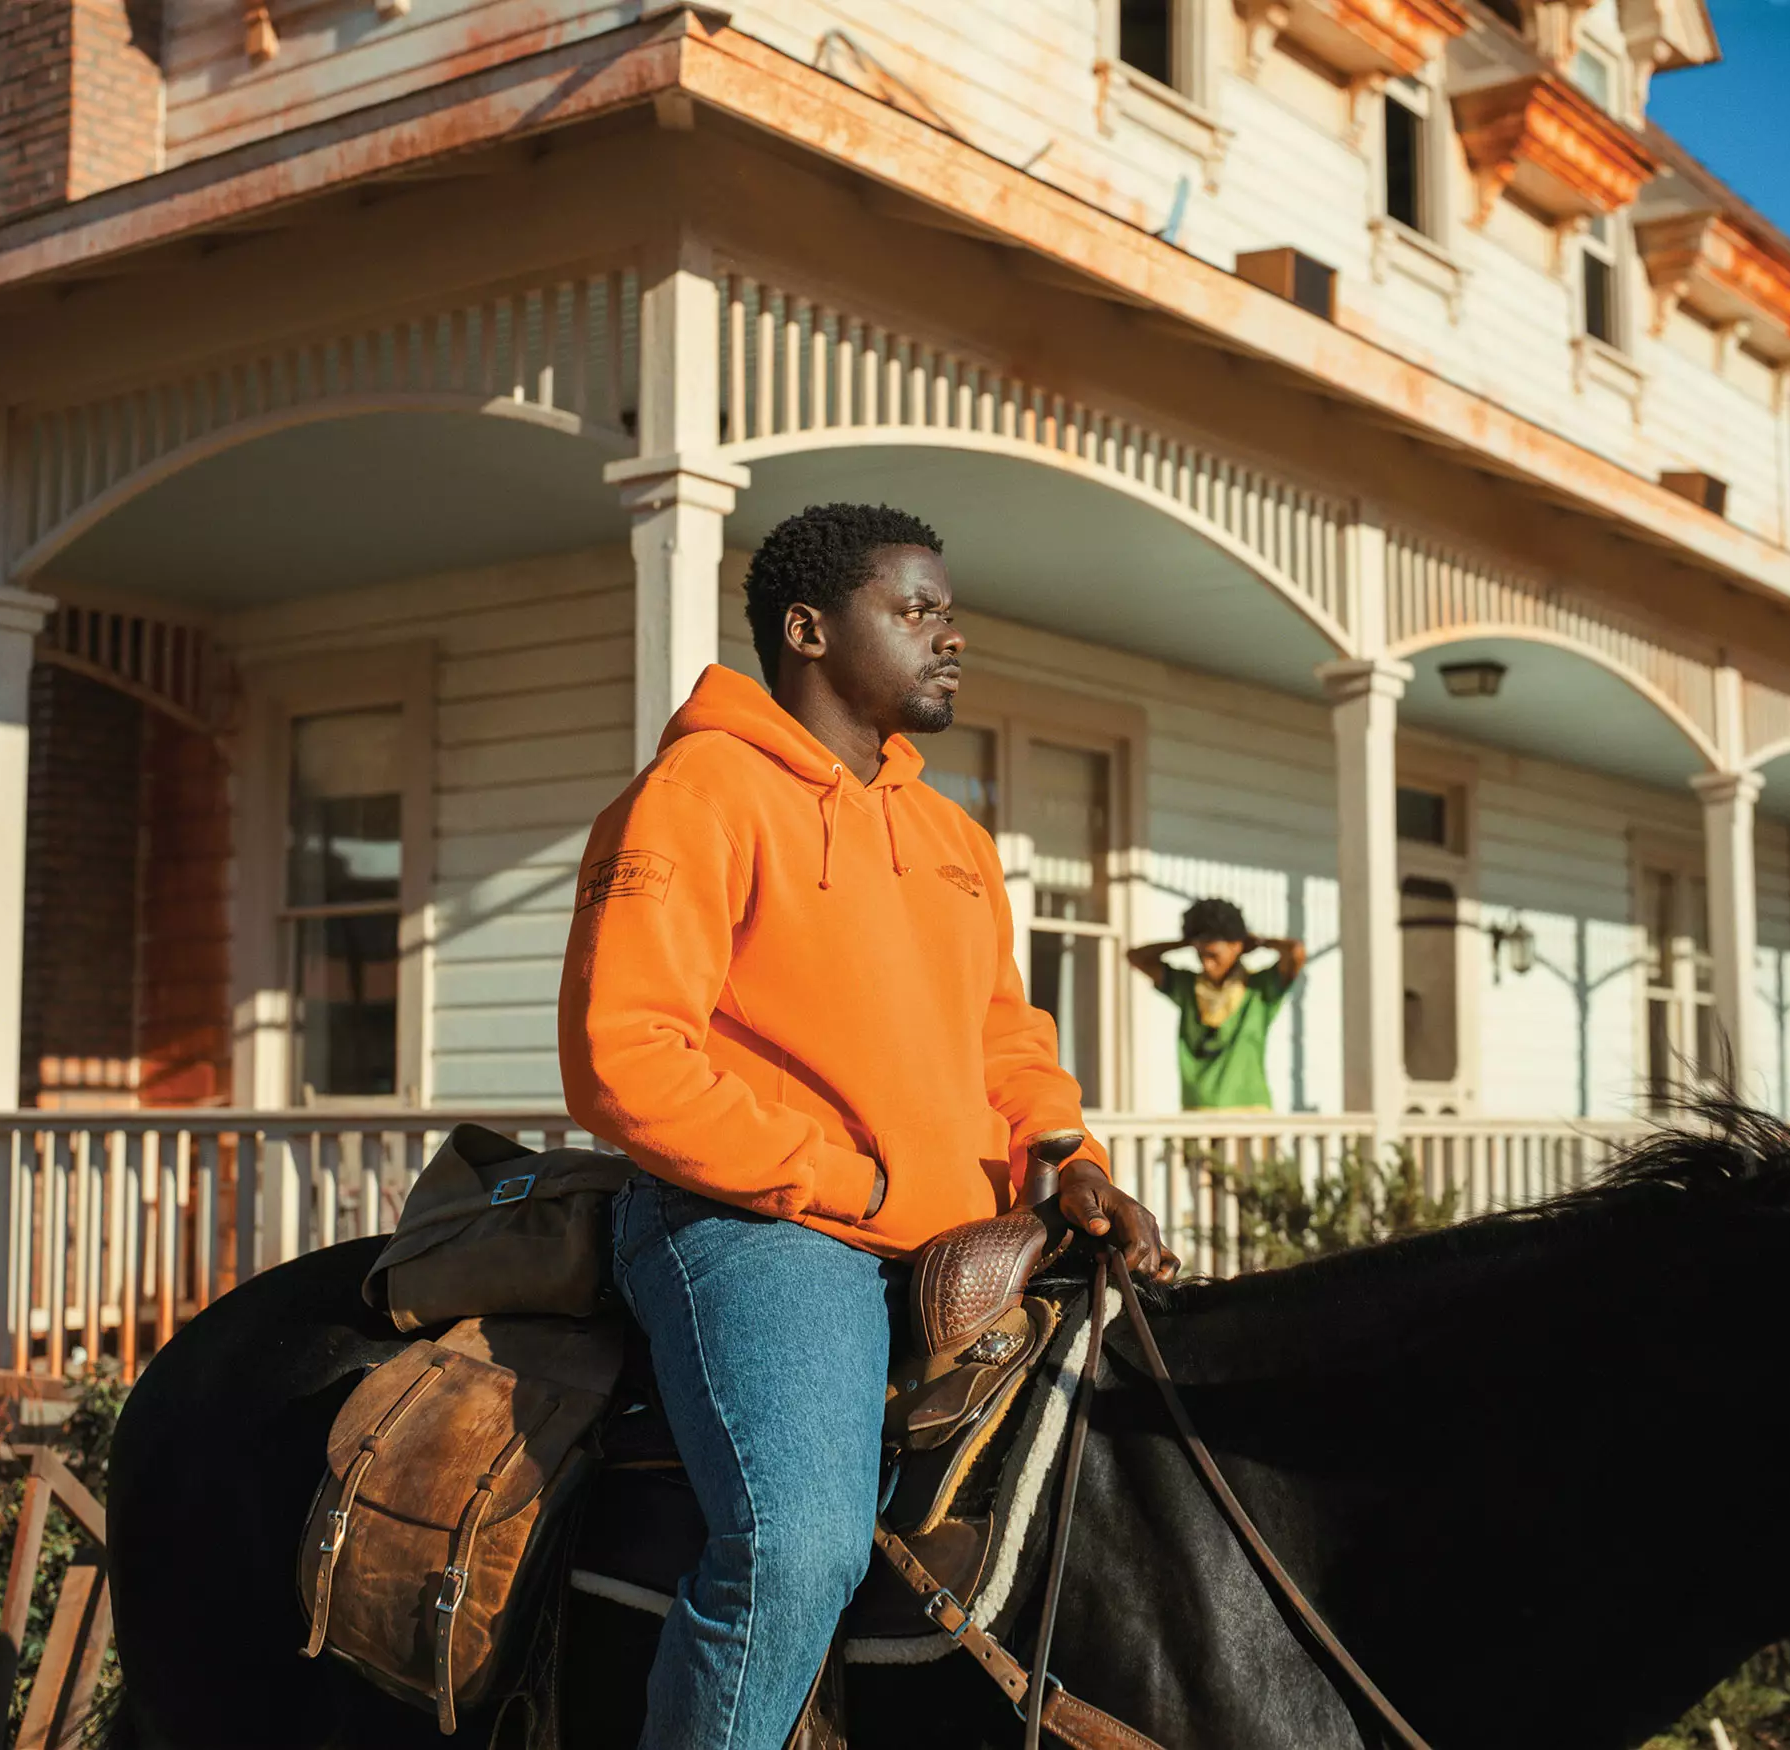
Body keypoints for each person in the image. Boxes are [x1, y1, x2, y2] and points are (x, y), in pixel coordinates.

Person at [558, 501, 1178, 1749]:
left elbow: (1005, 1040)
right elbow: (622, 1060)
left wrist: (1070, 1161)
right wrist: (851, 1178)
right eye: (915, 612)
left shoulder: (951, 837)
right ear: (808, 630)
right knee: (799, 1548)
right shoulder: (698, 792)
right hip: (759, 1230)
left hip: (961, 1234)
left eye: (947, 613)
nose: (950, 637)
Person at [1128, 897, 1308, 1112]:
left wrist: (1258, 942)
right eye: (1200, 954)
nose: (1206, 963)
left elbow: (1295, 952)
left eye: (1213, 954)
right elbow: (1136, 956)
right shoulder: (1187, 987)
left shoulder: (1259, 989)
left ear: (1236, 947)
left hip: (1250, 1113)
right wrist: (1187, 941)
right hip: (1197, 1112)